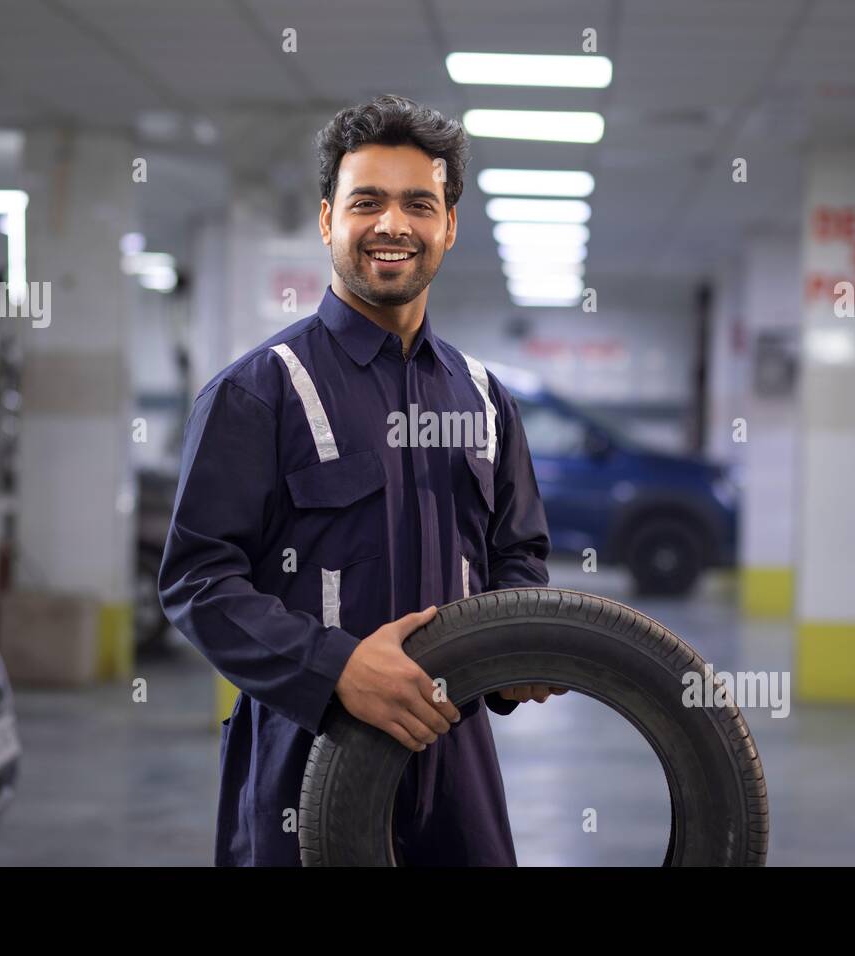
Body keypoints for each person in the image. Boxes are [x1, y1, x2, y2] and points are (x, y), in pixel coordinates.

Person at [159, 94, 565, 867]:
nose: (392, 225)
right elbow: (198, 582)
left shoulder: (485, 400)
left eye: (419, 203)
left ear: (448, 225)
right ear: (326, 219)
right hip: (301, 758)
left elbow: (518, 557)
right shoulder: (259, 393)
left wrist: (519, 658)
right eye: (366, 202)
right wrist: (334, 666)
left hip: (457, 767)